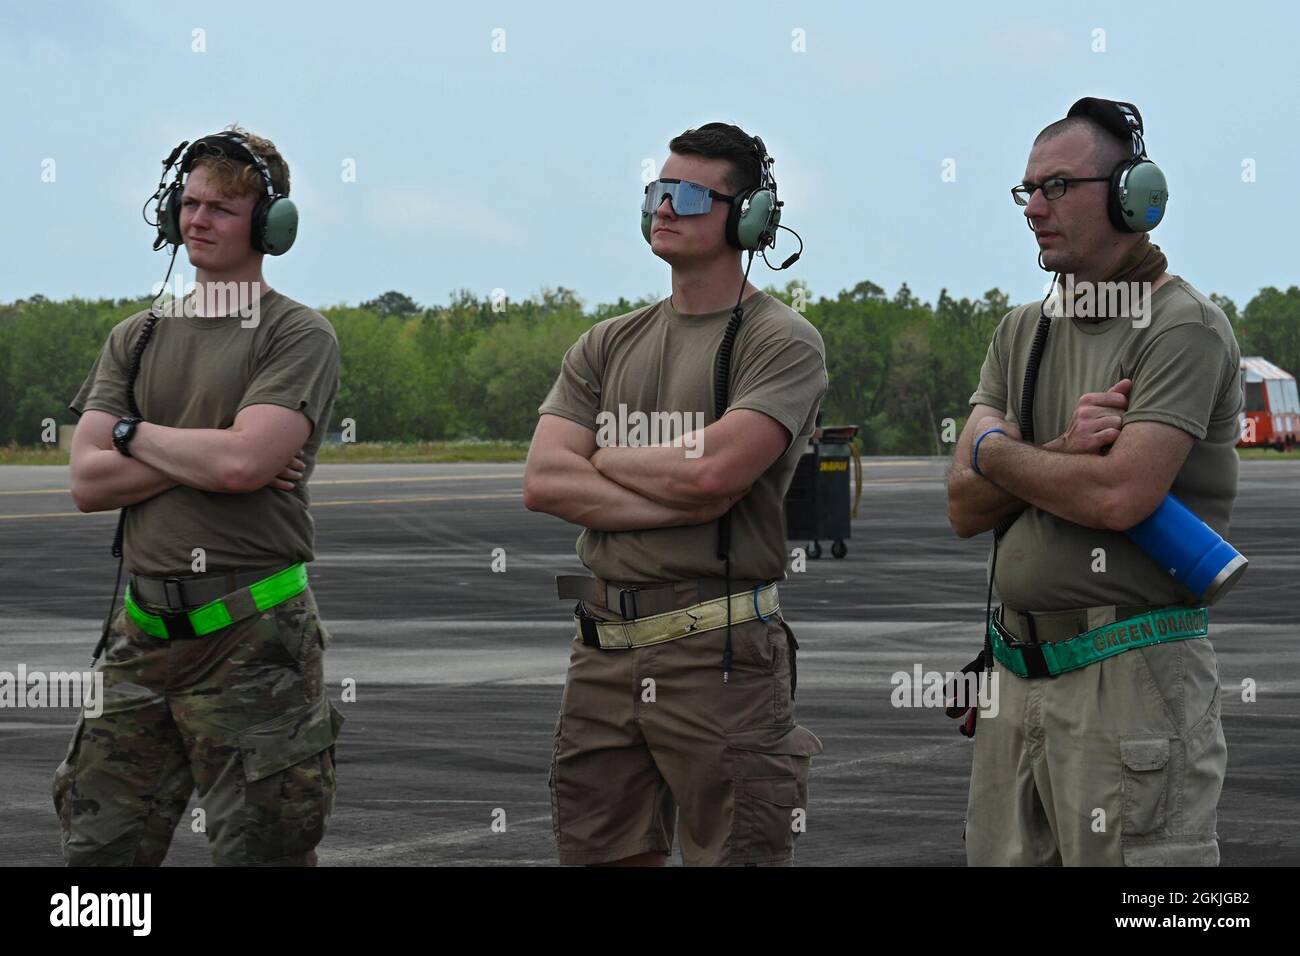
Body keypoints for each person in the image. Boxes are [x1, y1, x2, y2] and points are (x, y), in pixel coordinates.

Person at [946, 98, 1243, 865]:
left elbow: (1121, 497)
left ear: (1130, 195)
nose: (1033, 210)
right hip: (1017, 674)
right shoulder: (1022, 330)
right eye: (1027, 192)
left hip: (1129, 676)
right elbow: (962, 506)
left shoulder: (1182, 326)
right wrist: (1066, 449)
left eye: (1055, 188)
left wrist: (998, 451)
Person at [524, 122, 827, 866]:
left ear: (749, 216)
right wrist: (679, 492)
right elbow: (543, 479)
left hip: (718, 657)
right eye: (657, 191)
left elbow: (714, 475)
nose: (666, 207)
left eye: (689, 194)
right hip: (599, 652)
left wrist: (601, 452)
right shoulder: (606, 343)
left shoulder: (779, 341)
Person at [55, 126, 344, 866]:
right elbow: (87, 482)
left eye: (221, 207)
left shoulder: (296, 335)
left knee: (262, 851)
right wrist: (209, 445)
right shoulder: (138, 336)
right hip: (143, 630)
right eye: (188, 204)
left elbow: (246, 466)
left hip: (254, 638)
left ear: (270, 224)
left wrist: (130, 433)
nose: (197, 221)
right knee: (98, 853)